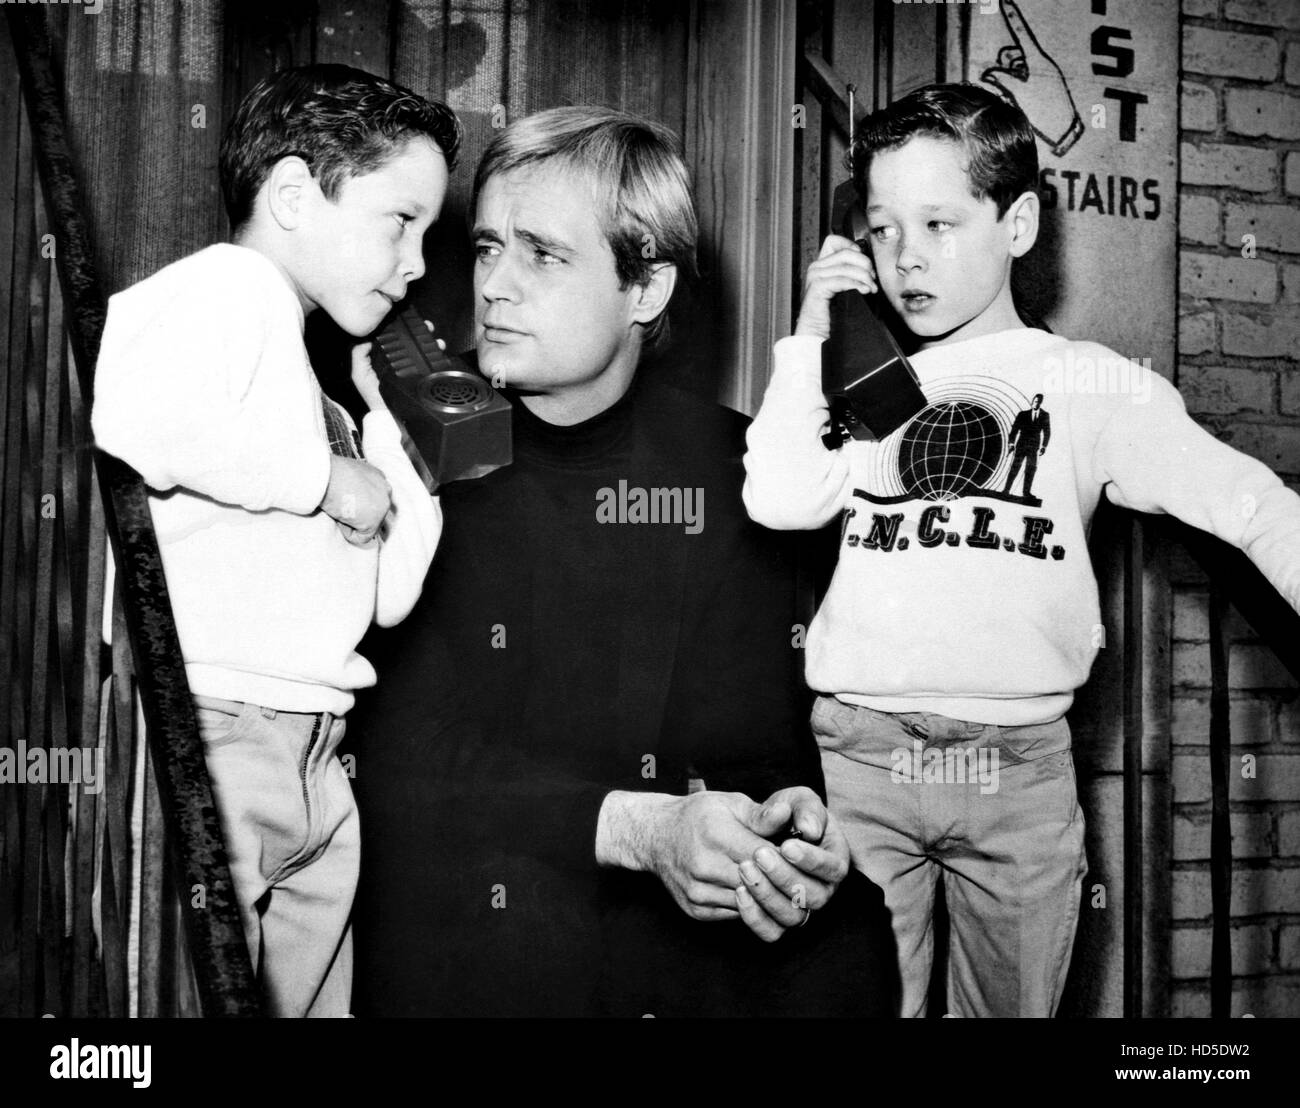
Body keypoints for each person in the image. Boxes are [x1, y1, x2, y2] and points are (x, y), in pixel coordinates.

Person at [742, 82, 1300, 1017]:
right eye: (881, 230)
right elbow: (779, 500)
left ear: (1019, 223)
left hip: (1018, 771)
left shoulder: (1086, 384)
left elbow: (1247, 504)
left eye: (939, 223)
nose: (905, 256)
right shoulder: (863, 380)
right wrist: (809, 336)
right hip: (864, 757)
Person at [350, 106, 897, 1017]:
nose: (495, 287)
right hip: (489, 897)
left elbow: (760, 741)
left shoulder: (740, 473)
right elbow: (403, 761)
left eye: (543, 255)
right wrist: (633, 829)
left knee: (847, 941)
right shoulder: (414, 466)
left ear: (645, 290)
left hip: (672, 911)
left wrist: (785, 827)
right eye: (488, 248)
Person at [91, 64, 460, 1016]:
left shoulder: (323, 404)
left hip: (319, 753)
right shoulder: (230, 288)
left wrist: (393, 435)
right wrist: (323, 477)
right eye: (401, 221)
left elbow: (388, 597)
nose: (419, 261)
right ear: (294, 194)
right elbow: (126, 411)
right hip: (213, 730)